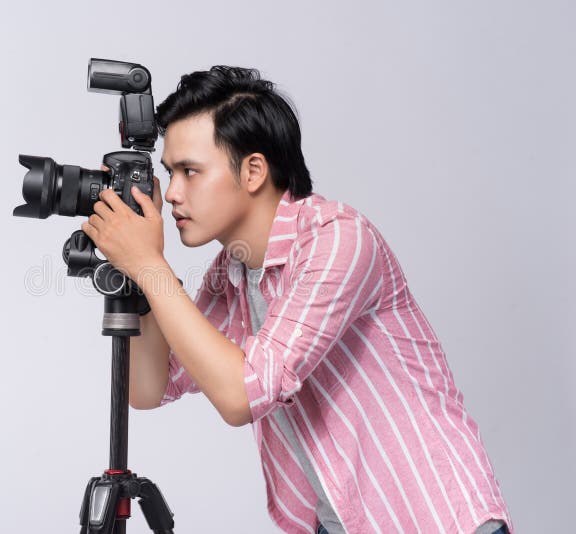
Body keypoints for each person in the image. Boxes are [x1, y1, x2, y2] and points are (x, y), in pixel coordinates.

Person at [79, 66, 512, 534]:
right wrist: (139, 273)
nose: (175, 194)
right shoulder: (234, 270)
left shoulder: (338, 241)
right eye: (169, 173)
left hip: (432, 519)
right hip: (338, 523)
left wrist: (149, 265)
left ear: (253, 171)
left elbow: (241, 394)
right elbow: (148, 387)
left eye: (190, 171)